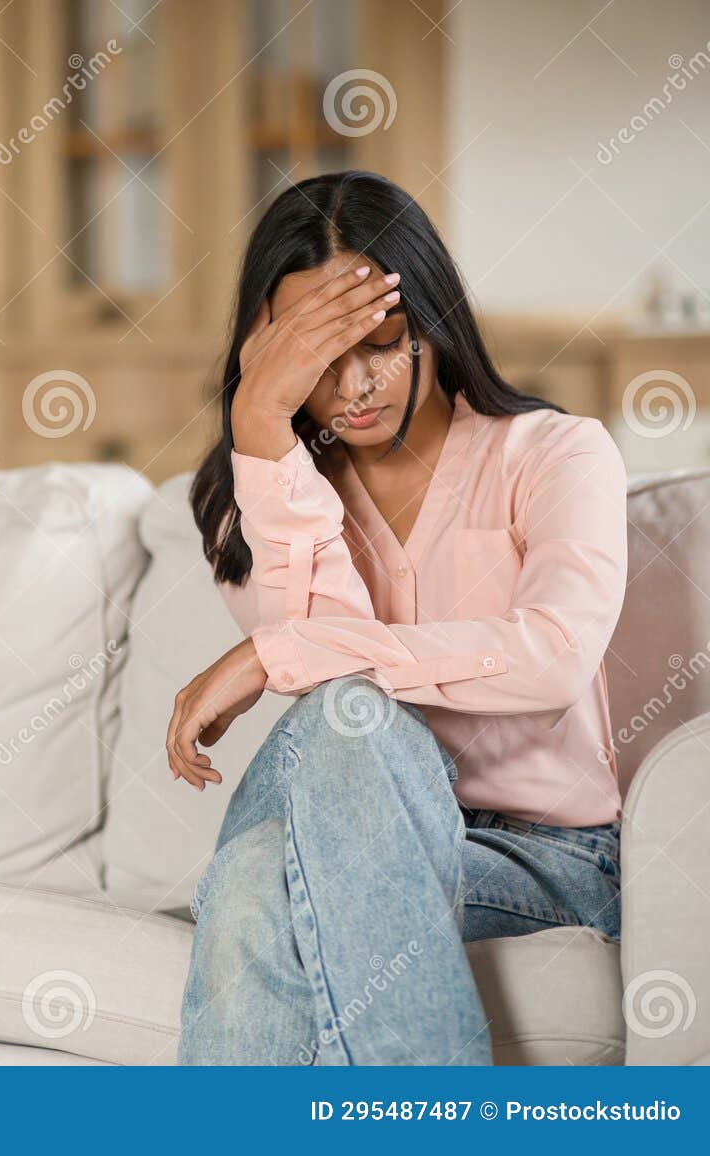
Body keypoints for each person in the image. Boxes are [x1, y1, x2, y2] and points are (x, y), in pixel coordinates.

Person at [169, 171, 627, 1065]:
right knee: (338, 742)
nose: (354, 386)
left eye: (381, 342)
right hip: (338, 817)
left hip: (545, 857)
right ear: (267, 356)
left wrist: (280, 650)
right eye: (314, 361)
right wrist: (259, 422)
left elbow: (555, 658)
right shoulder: (254, 503)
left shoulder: (557, 454)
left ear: (431, 324)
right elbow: (334, 680)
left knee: (273, 851)